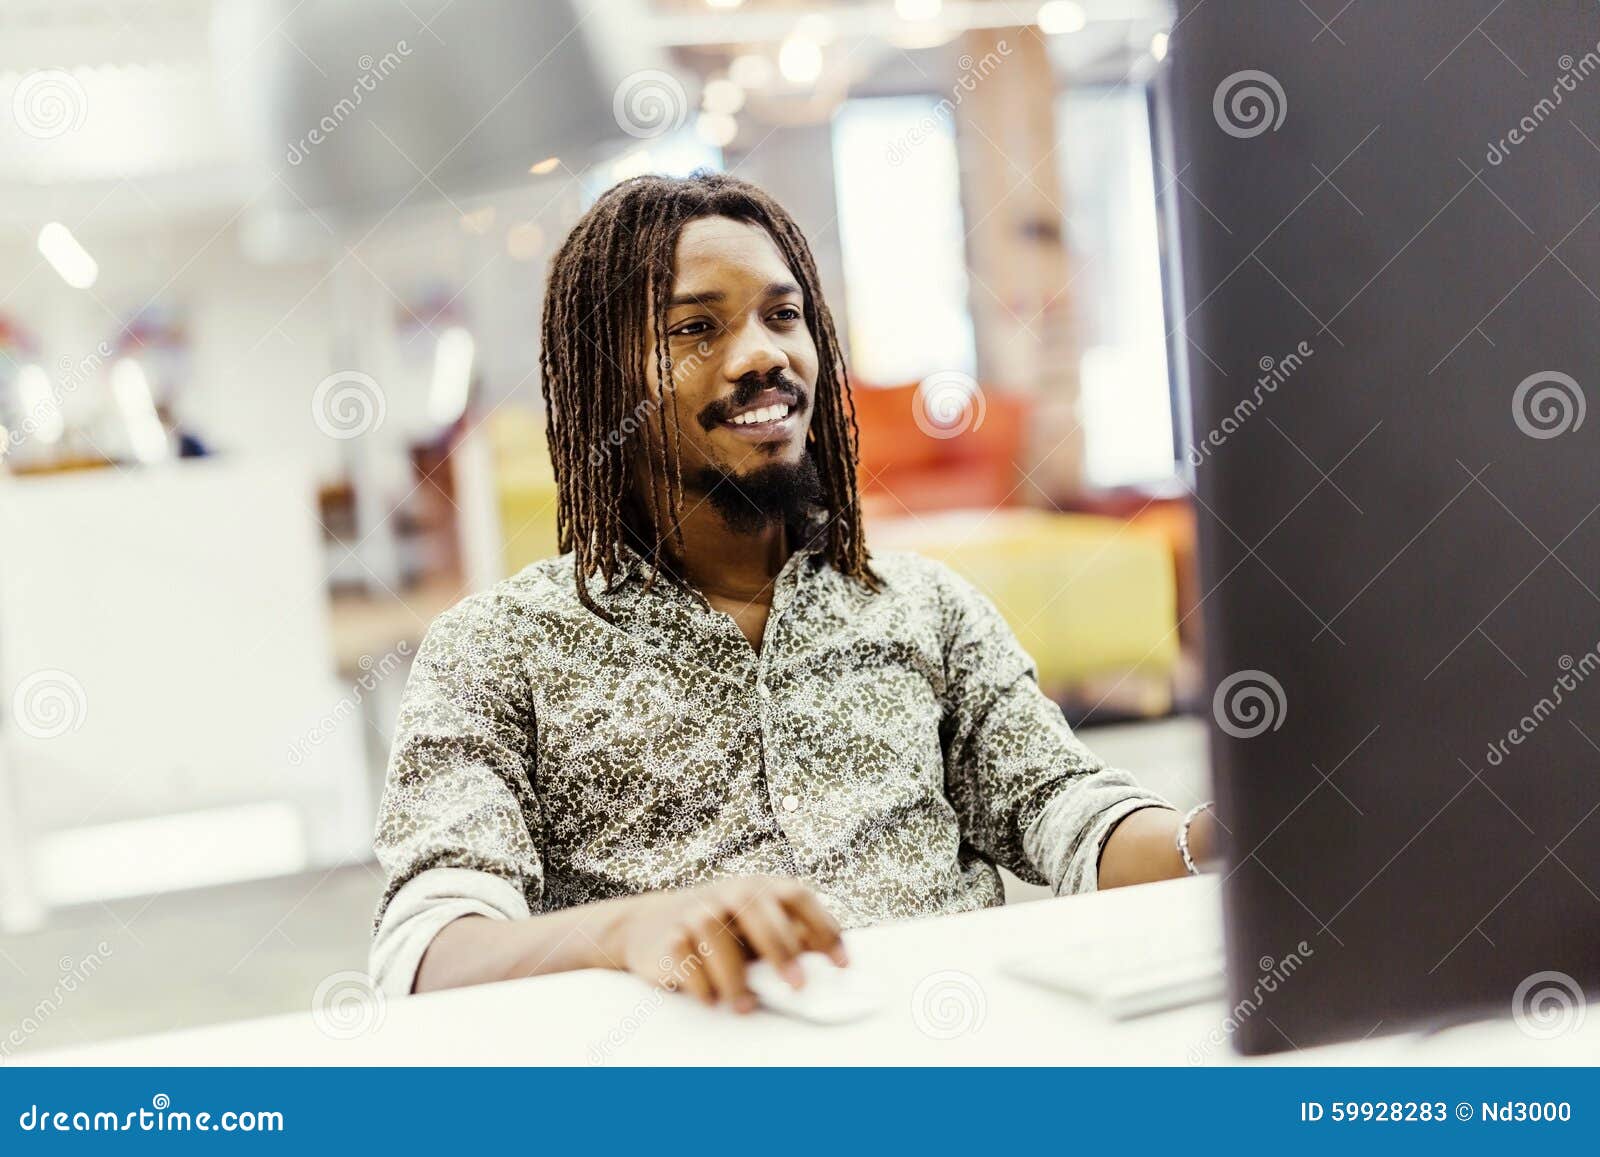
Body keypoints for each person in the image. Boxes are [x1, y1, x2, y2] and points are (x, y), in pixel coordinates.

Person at [369, 170, 1216, 1009]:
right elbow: (428, 950)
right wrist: (629, 929)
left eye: (783, 315)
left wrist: (1210, 838)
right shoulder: (500, 646)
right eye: (696, 328)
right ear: (608, 378)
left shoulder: (924, 605)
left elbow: (1065, 809)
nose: (764, 355)